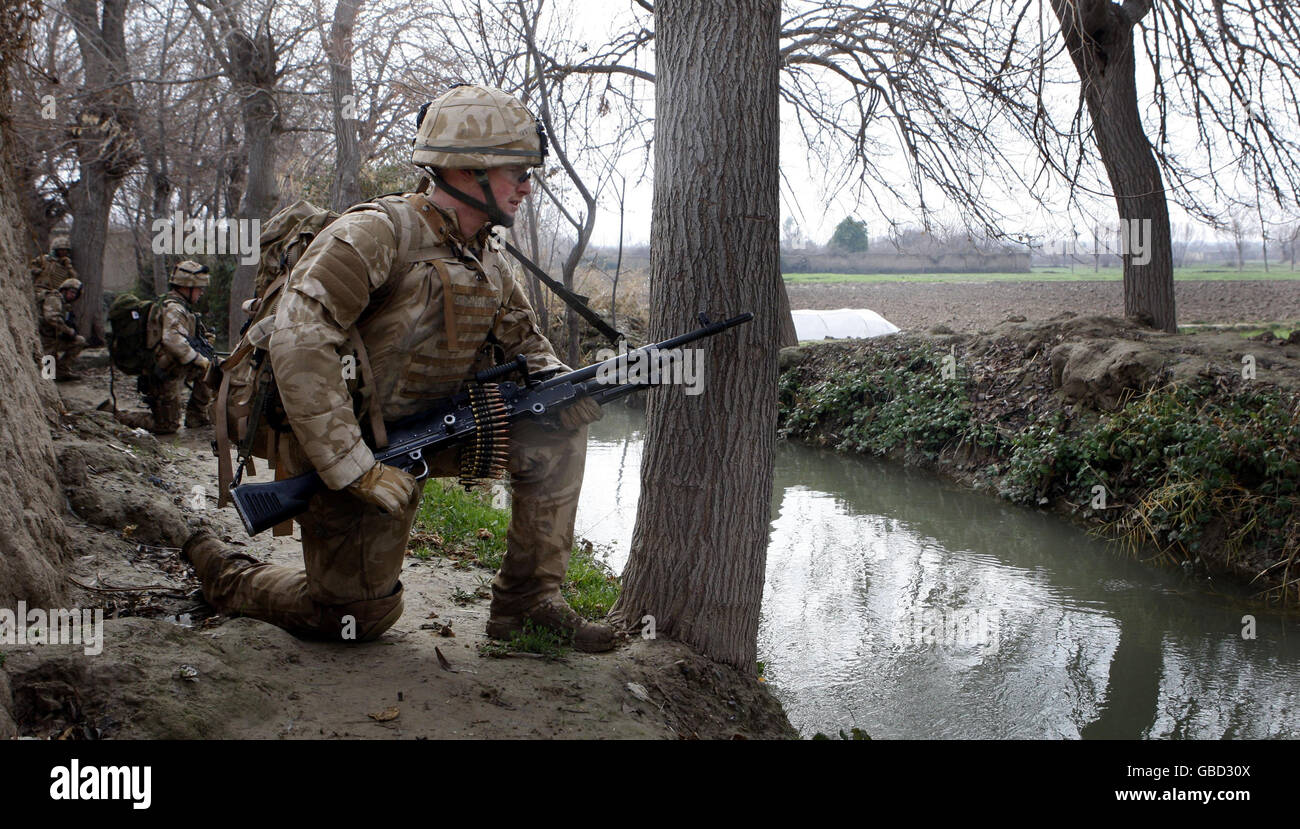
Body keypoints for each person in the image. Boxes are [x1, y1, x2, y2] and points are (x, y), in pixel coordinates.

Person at [182, 84, 616, 651]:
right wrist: (353, 466)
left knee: (555, 431)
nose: (528, 187)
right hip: (346, 447)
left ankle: (527, 604)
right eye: (518, 171)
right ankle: (226, 572)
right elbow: (299, 341)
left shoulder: (485, 256)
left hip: (433, 430)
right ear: (467, 169)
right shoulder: (373, 233)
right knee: (355, 617)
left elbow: (528, 346)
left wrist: (564, 389)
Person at [114, 260, 214, 433]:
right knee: (166, 426)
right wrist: (200, 359)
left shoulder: (182, 307)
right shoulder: (174, 308)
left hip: (176, 368)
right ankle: (116, 415)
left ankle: (196, 416)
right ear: (187, 287)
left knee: (210, 368)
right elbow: (172, 340)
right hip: (163, 374)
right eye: (199, 288)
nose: (202, 292)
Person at [36, 277, 87, 381]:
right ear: (64, 289)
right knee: (47, 376)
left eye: (75, 294)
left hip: (54, 339)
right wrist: (69, 331)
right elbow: (52, 318)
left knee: (79, 341)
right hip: (45, 340)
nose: (73, 295)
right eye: (72, 292)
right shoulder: (54, 298)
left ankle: (62, 370)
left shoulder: (65, 305)